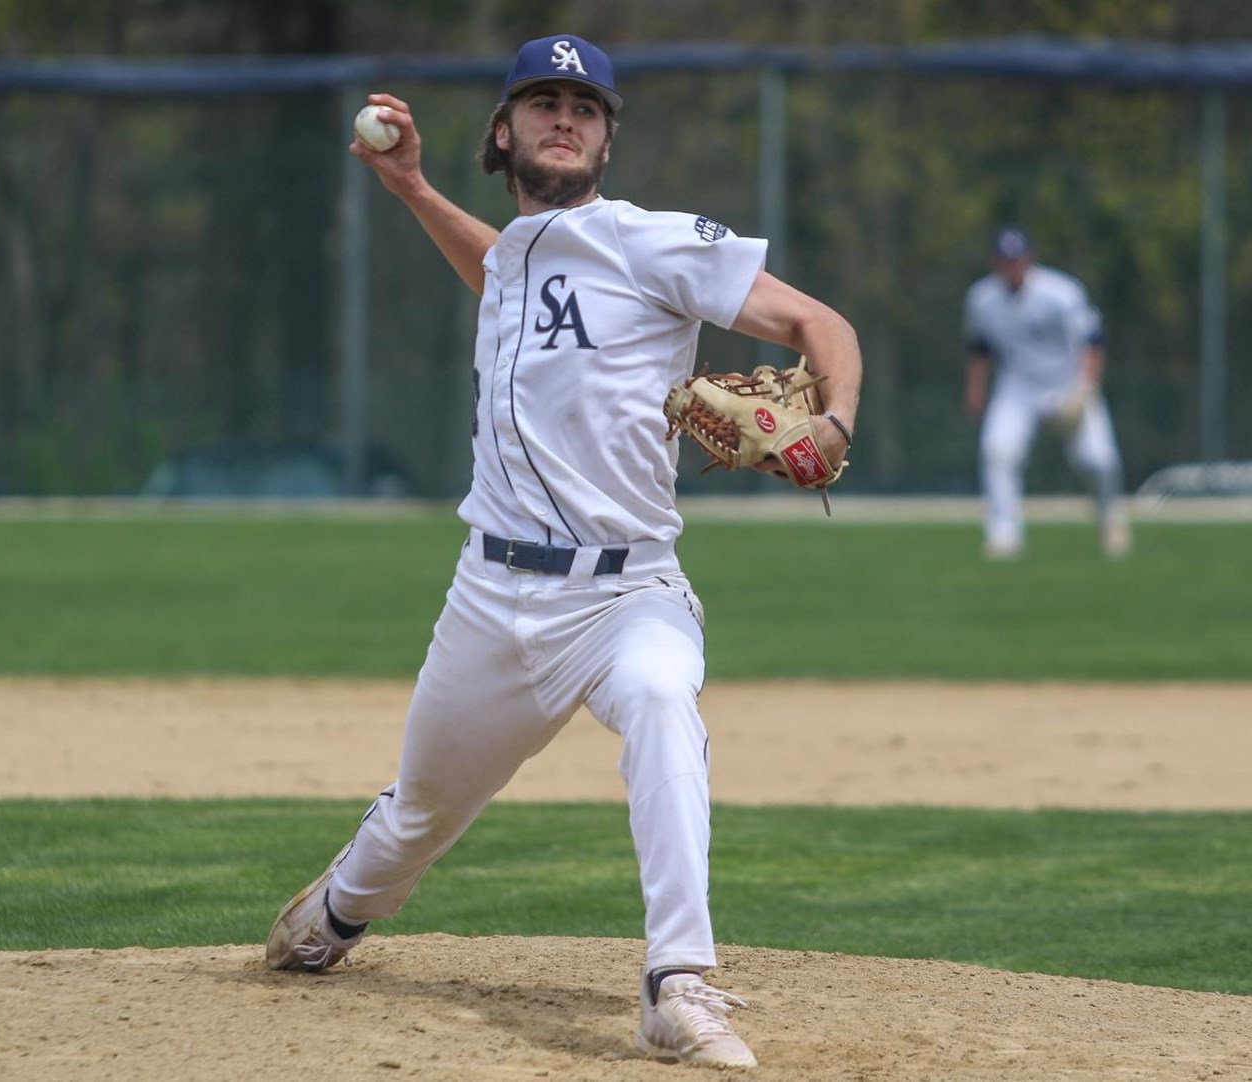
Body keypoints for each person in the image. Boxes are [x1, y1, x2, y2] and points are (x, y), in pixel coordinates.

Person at [263, 34, 862, 1070]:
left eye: (585, 107)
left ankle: (677, 981)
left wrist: (838, 423)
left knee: (664, 703)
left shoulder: (650, 242)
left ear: (606, 140)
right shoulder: (516, 255)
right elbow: (498, 271)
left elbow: (819, 321)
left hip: (627, 592)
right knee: (422, 810)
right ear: (504, 132)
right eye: (544, 101)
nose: (565, 117)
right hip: (489, 596)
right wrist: (410, 187)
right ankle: (334, 913)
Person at [963, 226, 1131, 560]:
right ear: (994, 262)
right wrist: (976, 389)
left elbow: (1093, 341)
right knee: (998, 450)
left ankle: (1110, 518)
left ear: (1029, 258)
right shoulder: (983, 298)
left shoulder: (1061, 292)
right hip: (1017, 387)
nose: (1012, 267)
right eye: (1004, 260)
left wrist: (1085, 389)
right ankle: (1004, 534)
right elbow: (980, 348)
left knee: (1098, 460)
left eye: (1017, 259)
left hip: (1066, 383)